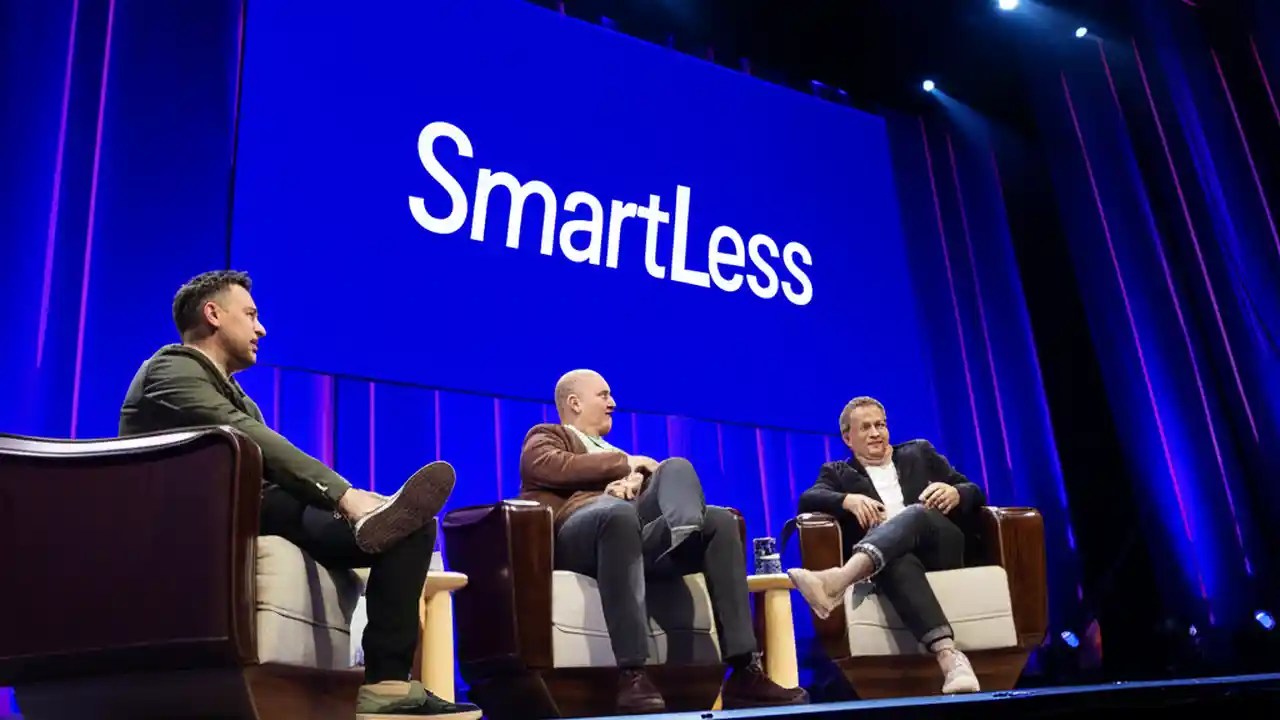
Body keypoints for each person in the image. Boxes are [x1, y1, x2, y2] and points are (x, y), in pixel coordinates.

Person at [119, 270, 480, 719]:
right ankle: (367, 516)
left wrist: (355, 501)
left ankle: (387, 687)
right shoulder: (171, 368)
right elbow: (248, 437)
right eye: (250, 315)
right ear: (213, 314)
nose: (261, 328)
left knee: (410, 526)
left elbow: (266, 459)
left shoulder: (240, 395)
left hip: (261, 507)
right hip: (205, 512)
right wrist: (342, 495)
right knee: (372, 515)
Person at [518, 369, 809, 713]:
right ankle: (632, 674)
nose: (612, 403)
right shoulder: (551, 435)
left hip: (631, 530)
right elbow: (541, 464)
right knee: (619, 512)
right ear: (574, 403)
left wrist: (637, 478)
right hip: (580, 531)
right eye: (604, 395)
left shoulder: (619, 453)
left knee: (708, 509)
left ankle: (745, 670)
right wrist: (624, 467)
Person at [788, 396, 983, 694]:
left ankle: (838, 580)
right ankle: (951, 659)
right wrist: (846, 499)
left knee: (915, 513)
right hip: (891, 559)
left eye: (880, 425)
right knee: (895, 559)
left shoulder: (919, 452)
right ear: (847, 438)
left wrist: (956, 492)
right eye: (865, 428)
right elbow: (808, 499)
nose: (876, 433)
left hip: (940, 546)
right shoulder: (838, 473)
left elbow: (974, 490)